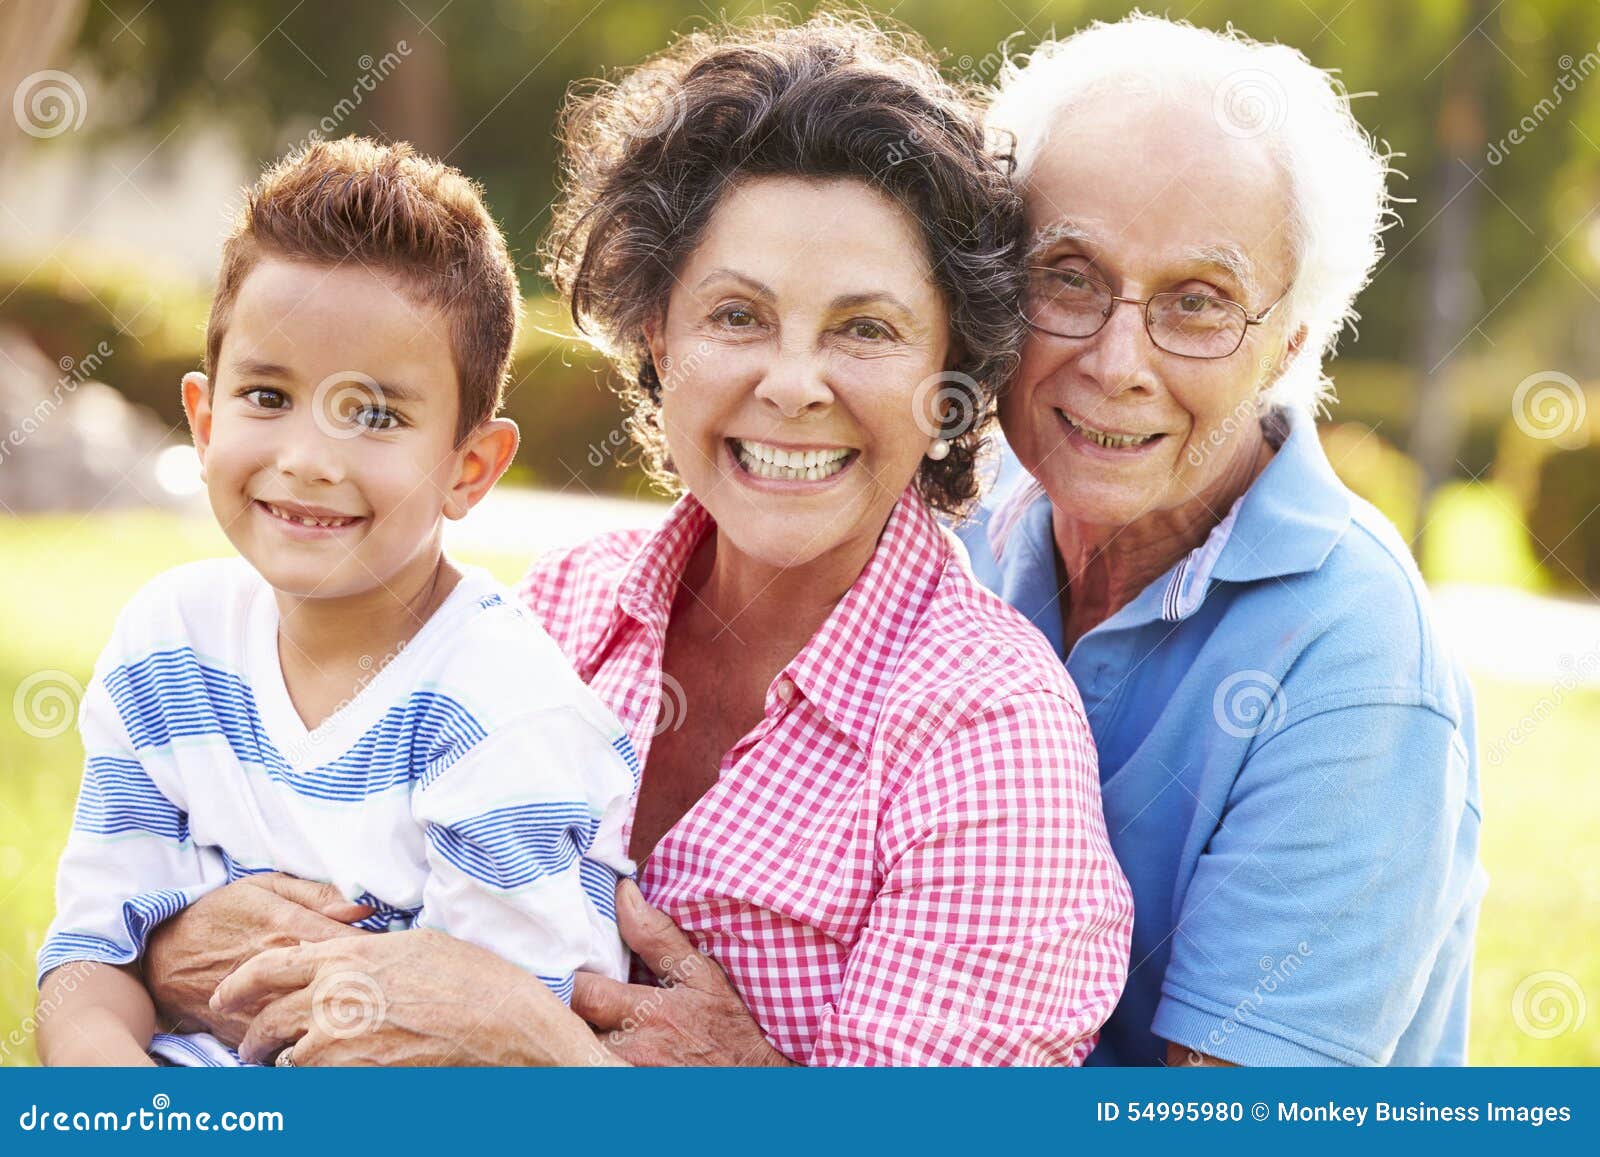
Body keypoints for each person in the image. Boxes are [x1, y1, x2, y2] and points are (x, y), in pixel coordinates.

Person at [142, 14, 1134, 1067]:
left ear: (951, 372)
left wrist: (553, 1048)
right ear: (657, 333)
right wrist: (176, 940)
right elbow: (339, 912)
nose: (793, 384)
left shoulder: (986, 732)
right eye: (738, 315)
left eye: (865, 329)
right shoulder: (558, 609)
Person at [36, 138, 638, 1067]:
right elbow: (86, 962)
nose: (310, 457)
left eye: (375, 415)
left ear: (469, 469)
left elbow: (488, 1058)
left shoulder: (500, 714)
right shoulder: (168, 646)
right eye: (268, 395)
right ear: (203, 421)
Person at [959, 14, 1486, 1066]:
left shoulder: (1355, 662)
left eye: (1197, 304)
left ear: (1289, 342)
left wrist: (770, 1080)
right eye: (1067, 274)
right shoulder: (950, 512)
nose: (1117, 361)